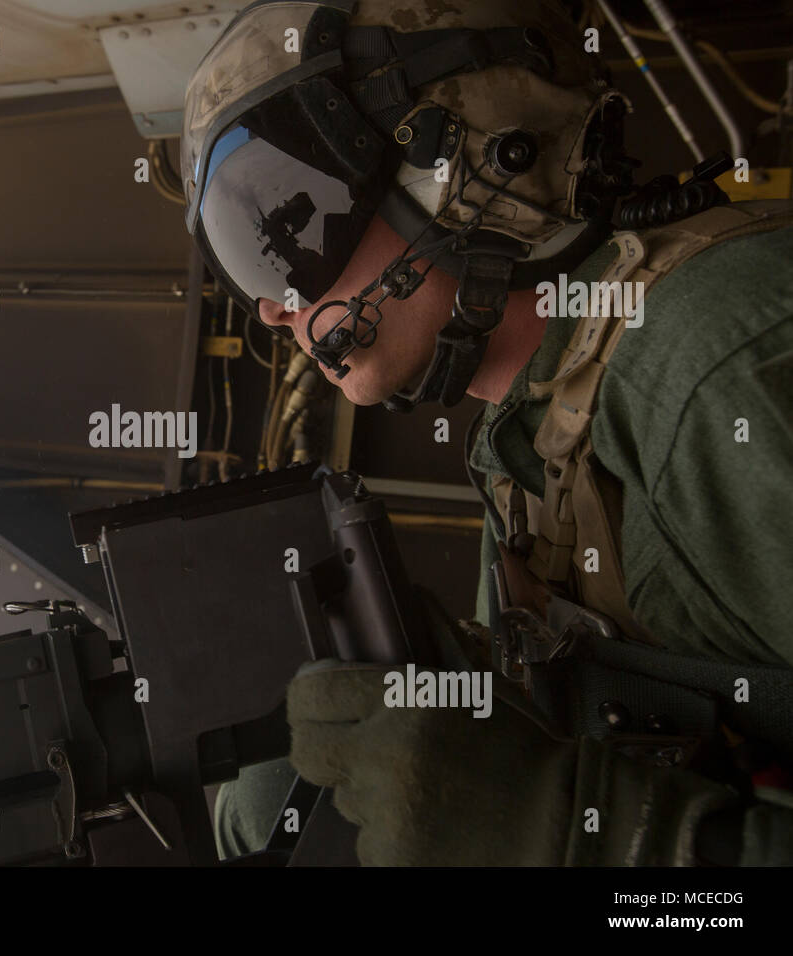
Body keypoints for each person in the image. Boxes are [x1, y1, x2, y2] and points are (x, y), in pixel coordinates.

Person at [184, 0, 793, 865]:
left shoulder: (705, 366)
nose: (275, 306)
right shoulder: (530, 442)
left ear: (459, 156)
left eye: (283, 222)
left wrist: (591, 838)